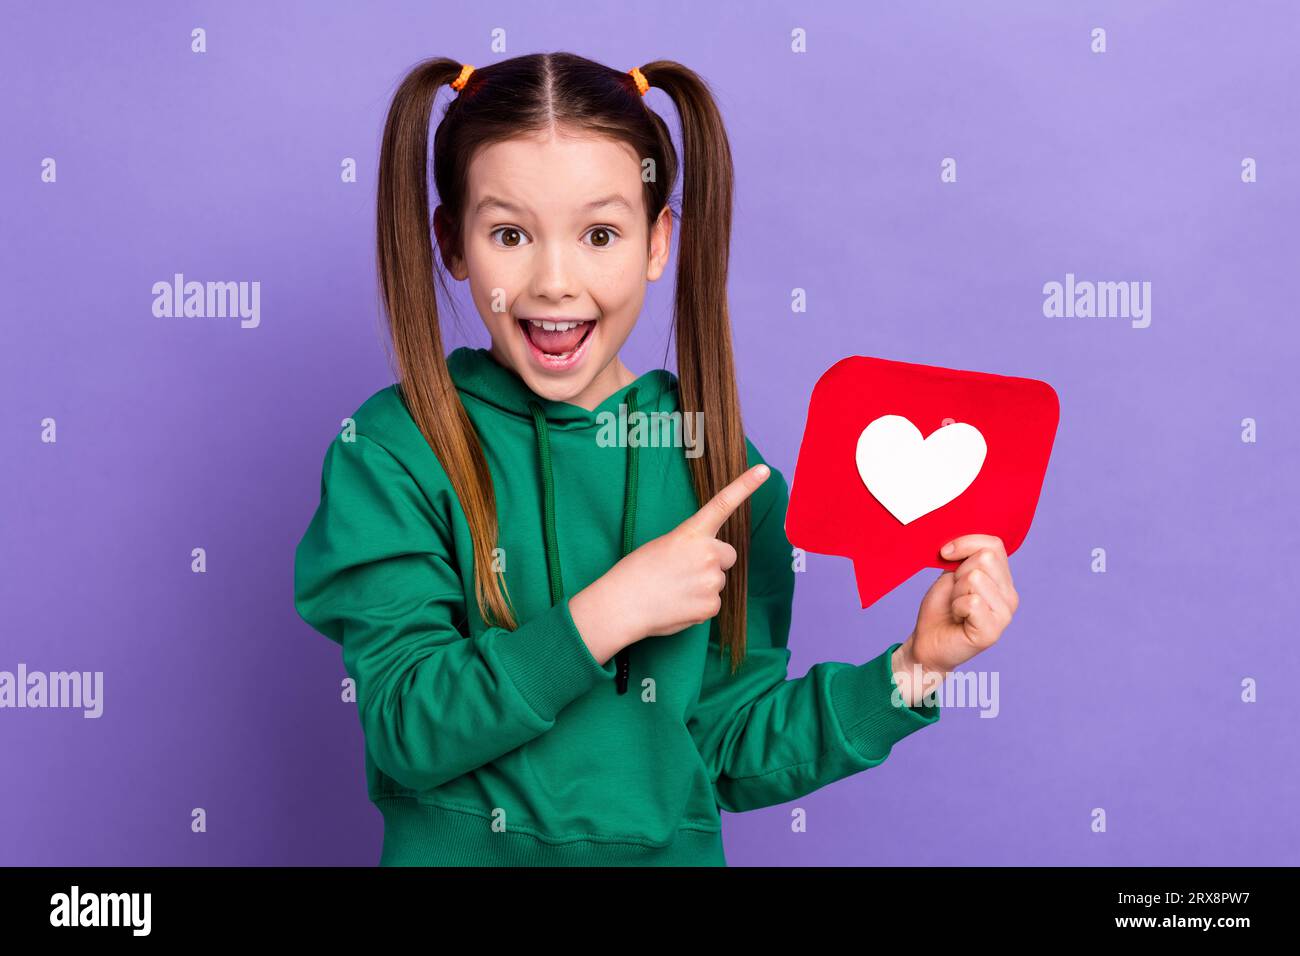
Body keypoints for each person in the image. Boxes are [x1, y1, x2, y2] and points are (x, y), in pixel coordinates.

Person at [293, 52, 1019, 866]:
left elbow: (728, 748)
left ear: (657, 241)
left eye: (600, 234)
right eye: (508, 234)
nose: (556, 281)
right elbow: (409, 730)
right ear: (451, 244)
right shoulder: (393, 451)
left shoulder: (720, 469)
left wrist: (916, 669)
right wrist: (611, 612)